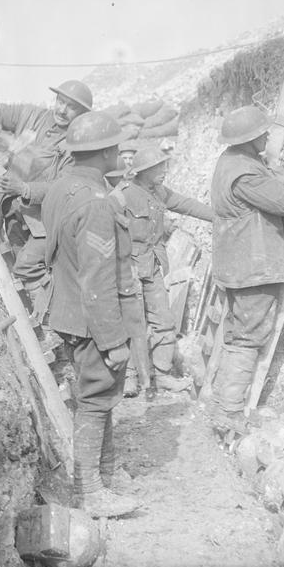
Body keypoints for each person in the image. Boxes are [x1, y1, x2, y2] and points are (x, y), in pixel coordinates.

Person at [41, 111, 142, 518]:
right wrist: (114, 341)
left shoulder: (61, 188)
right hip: (91, 317)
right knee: (97, 399)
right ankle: (90, 491)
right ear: (103, 153)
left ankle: (105, 472)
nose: (120, 152)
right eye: (116, 146)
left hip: (67, 309)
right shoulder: (95, 203)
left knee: (98, 396)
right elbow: (97, 279)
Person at [209, 105, 284, 421]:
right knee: (247, 338)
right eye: (262, 132)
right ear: (250, 138)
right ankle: (229, 413)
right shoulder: (244, 173)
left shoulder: (233, 162)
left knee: (237, 333)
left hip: (237, 265)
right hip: (253, 267)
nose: (267, 135)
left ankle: (221, 403)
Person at [0, 80, 93, 322]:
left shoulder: (79, 147)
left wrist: (25, 188)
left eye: (71, 107)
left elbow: (64, 187)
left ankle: (56, 323)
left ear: (82, 114)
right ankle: (49, 322)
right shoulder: (34, 115)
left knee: (30, 266)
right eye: (60, 102)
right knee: (23, 265)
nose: (62, 110)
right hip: (13, 211)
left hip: (46, 222)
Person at [110, 141, 213, 395]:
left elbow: (186, 204)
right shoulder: (120, 196)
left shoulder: (159, 192)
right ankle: (131, 377)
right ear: (142, 171)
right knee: (132, 323)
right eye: (158, 167)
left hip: (152, 265)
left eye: (164, 166)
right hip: (128, 268)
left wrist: (219, 215)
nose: (164, 171)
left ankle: (162, 373)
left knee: (164, 321)